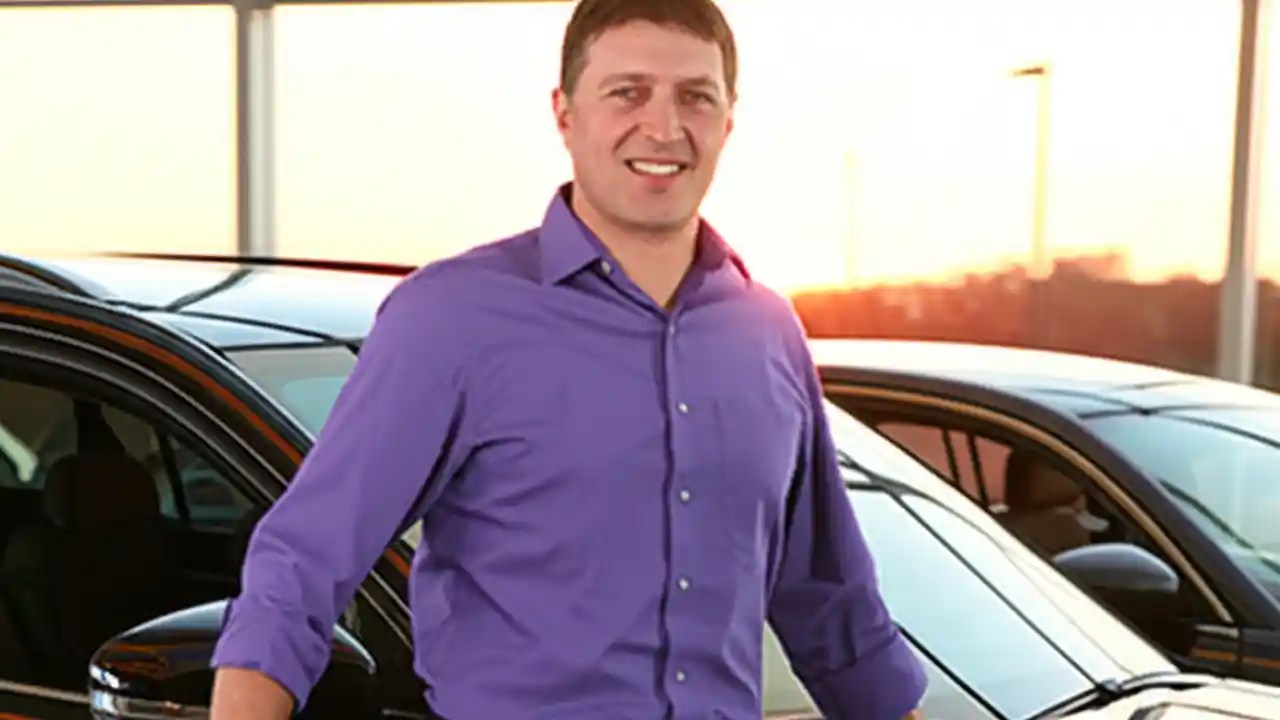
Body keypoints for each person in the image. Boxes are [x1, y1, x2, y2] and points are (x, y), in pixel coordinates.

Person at [208, 0, 928, 717]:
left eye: (695, 97)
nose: (664, 127)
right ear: (565, 113)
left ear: (728, 120)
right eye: (628, 93)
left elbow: (833, 610)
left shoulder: (767, 332)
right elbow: (303, 565)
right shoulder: (451, 319)